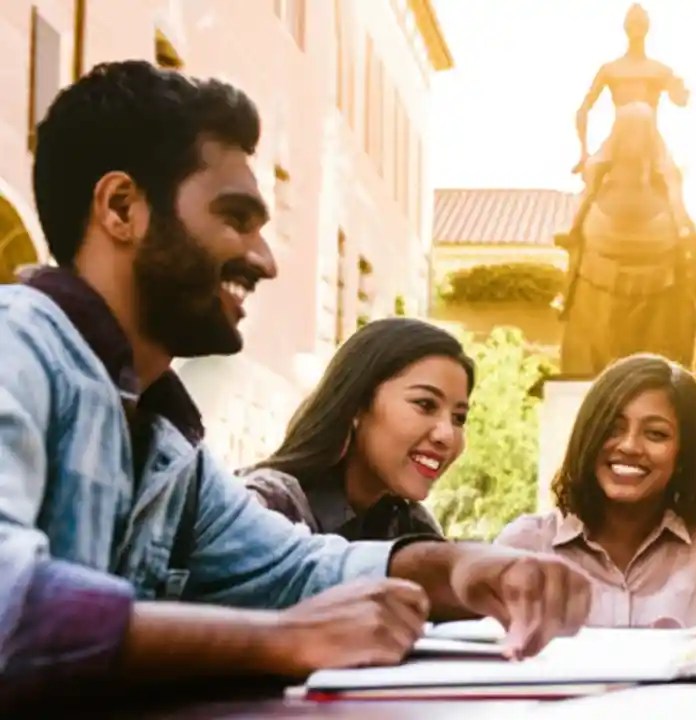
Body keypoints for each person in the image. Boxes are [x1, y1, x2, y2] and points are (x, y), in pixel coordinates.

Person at [0, 61, 589, 710]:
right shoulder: (15, 349)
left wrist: (465, 567)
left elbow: (298, 568)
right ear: (121, 209)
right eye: (235, 218)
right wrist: (282, 640)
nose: (266, 259)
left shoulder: (170, 445)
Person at [496, 354, 696, 628]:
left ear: (684, 455)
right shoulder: (524, 547)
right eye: (613, 428)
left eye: (656, 434)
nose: (629, 446)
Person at [244, 318, 472, 541]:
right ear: (357, 405)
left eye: (459, 418)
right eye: (425, 404)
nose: (447, 436)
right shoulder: (266, 507)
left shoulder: (413, 528)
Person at [567, 3, 694, 241]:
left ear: (648, 28)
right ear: (626, 28)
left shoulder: (659, 70)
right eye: (633, 24)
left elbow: (680, 100)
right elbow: (583, 109)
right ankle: (575, 232)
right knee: (593, 176)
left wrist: (681, 92)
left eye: (641, 24)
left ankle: (684, 233)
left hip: (651, 138)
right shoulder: (611, 69)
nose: (637, 29)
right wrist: (583, 153)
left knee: (673, 177)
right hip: (617, 136)